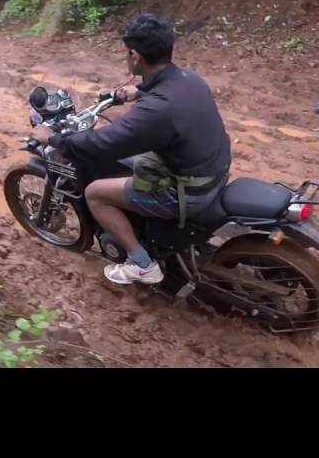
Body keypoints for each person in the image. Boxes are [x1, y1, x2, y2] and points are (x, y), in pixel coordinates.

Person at [31, 14, 232, 285]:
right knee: (132, 161)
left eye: (126, 52)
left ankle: (142, 265)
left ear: (135, 56)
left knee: (95, 194)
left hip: (188, 192)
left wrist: (54, 139)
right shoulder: (189, 79)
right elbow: (163, 90)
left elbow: (104, 143)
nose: (125, 57)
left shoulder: (156, 112)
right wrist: (134, 93)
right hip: (214, 171)